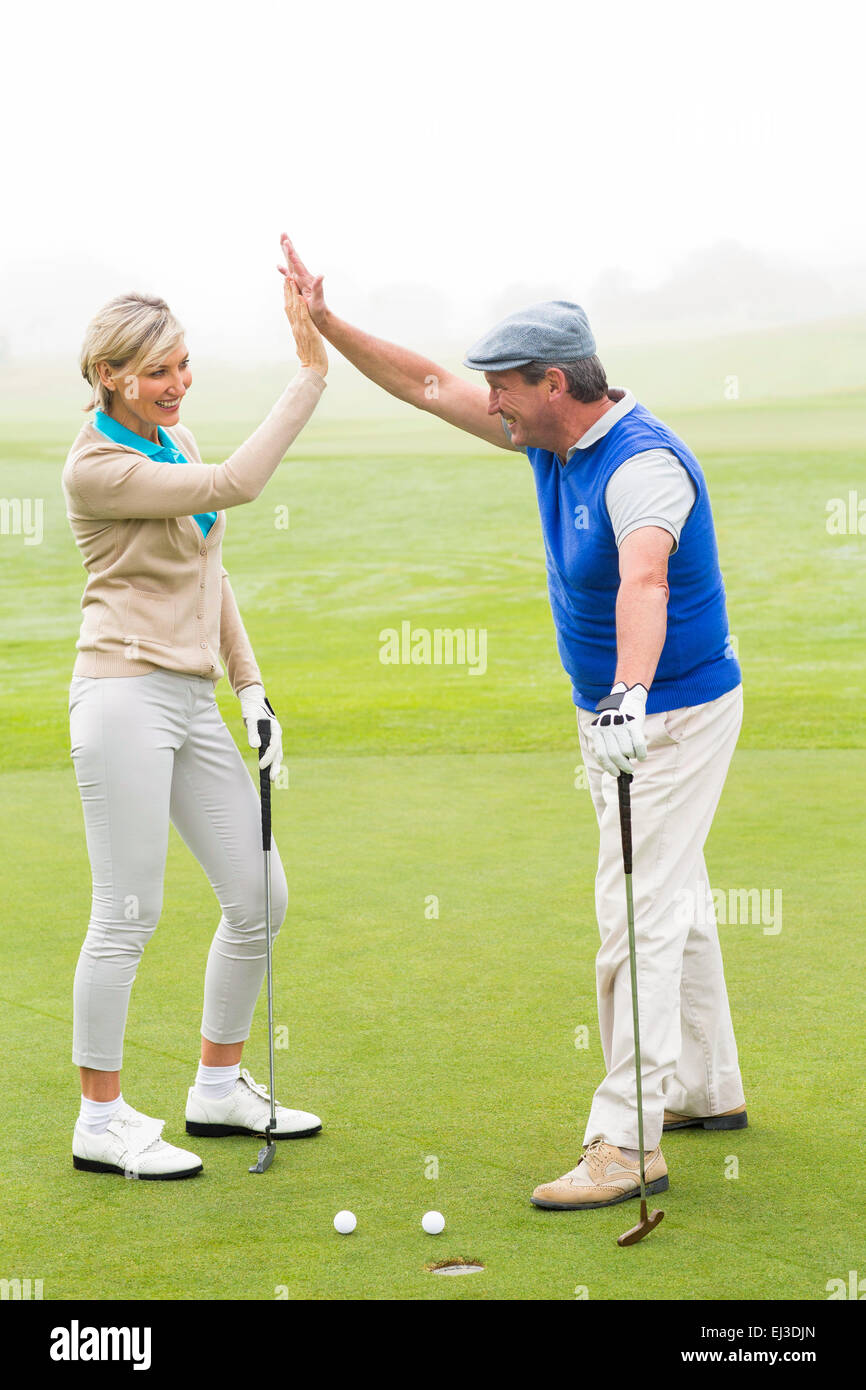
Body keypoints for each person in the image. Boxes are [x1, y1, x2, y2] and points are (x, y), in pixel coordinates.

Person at [280, 235, 747, 1213]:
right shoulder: (542, 434)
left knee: (632, 913)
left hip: (669, 712)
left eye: (503, 387)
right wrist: (323, 321)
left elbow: (644, 580)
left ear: (552, 380)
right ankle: (705, 1086)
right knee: (671, 890)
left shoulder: (641, 465)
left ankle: (626, 1140)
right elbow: (422, 383)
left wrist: (625, 695)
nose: (486, 401)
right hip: (618, 711)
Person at [62, 269, 328, 1180]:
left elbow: (210, 569)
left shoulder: (171, 440)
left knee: (260, 898)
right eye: (157, 372)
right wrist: (309, 375)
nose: (177, 385)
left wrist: (250, 687)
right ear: (108, 374)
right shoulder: (98, 468)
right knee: (128, 911)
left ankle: (216, 1089)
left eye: (184, 366)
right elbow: (238, 484)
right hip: (121, 694)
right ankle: (99, 1119)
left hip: (190, 698)